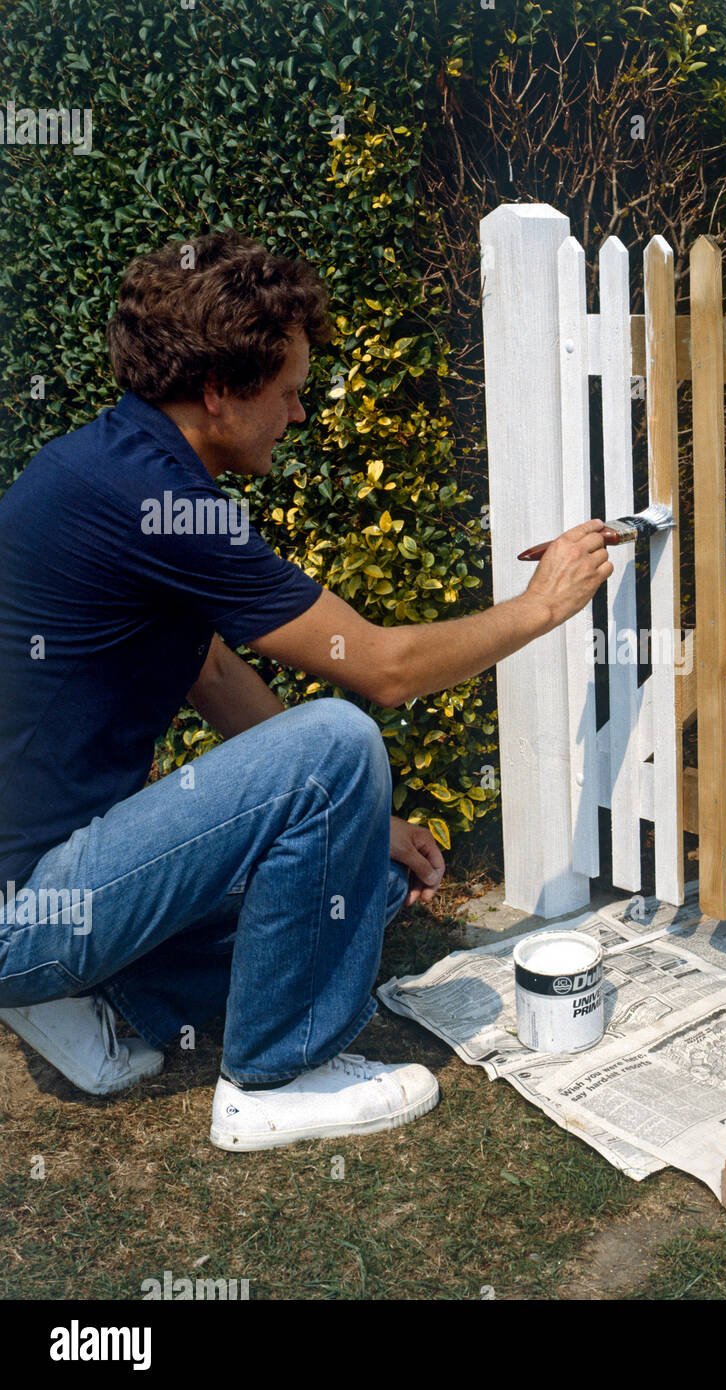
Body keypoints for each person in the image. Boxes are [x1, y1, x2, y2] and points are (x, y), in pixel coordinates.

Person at [0, 231, 612, 1151]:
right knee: (337, 738)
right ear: (218, 393)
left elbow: (207, 667)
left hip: (50, 878)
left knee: (359, 883)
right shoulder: (161, 501)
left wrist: (361, 824)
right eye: (286, 391)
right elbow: (383, 669)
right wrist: (541, 606)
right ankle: (273, 1079)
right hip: (27, 906)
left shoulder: (106, 461)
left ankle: (90, 991)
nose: (296, 413)